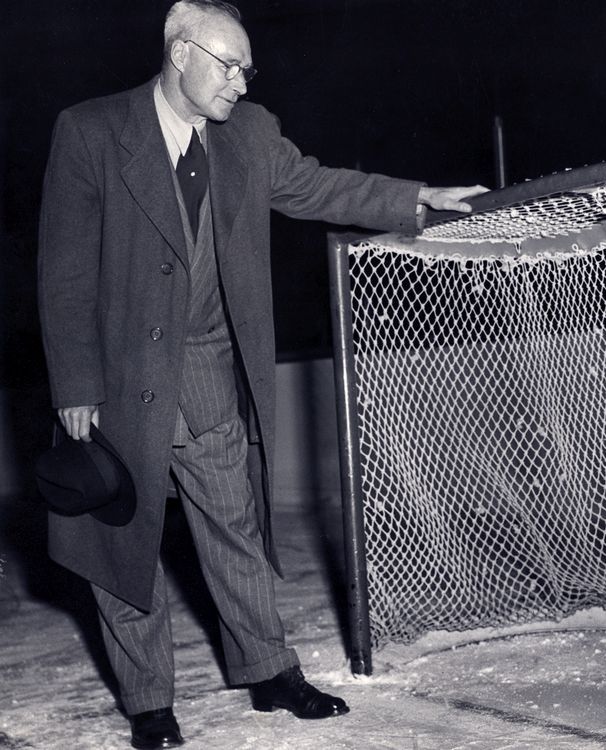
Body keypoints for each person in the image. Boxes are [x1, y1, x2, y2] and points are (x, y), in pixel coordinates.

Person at [36, 2, 487, 748]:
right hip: (116, 390)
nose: (242, 82)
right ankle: (149, 702)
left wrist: (415, 199)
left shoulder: (249, 134)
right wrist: (75, 385)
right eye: (229, 65)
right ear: (182, 55)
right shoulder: (90, 131)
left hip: (210, 371)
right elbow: (64, 270)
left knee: (235, 534)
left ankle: (269, 672)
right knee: (123, 550)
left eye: (248, 68)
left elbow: (319, 188)